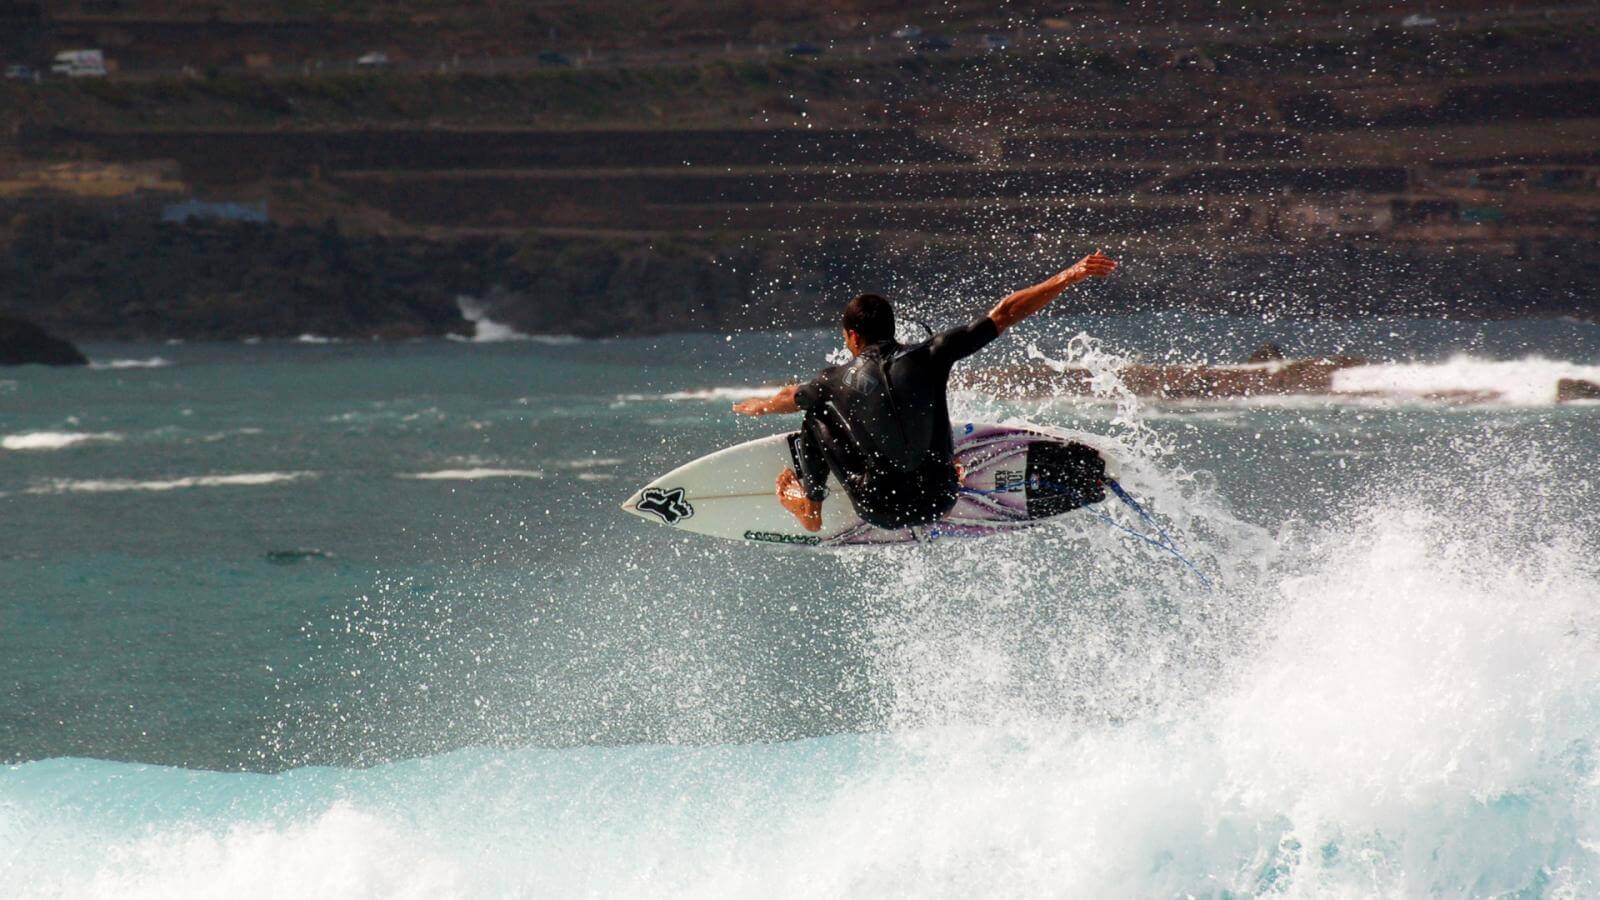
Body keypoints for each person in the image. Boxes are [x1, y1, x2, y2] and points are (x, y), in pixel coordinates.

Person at [732, 250, 1118, 532]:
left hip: (878, 509)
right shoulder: (932, 354)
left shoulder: (833, 380)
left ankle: (810, 507)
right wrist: (1072, 274)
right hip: (940, 499)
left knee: (815, 412)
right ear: (892, 328)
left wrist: (762, 406)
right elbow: (1005, 312)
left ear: (852, 336)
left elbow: (791, 397)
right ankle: (949, 470)